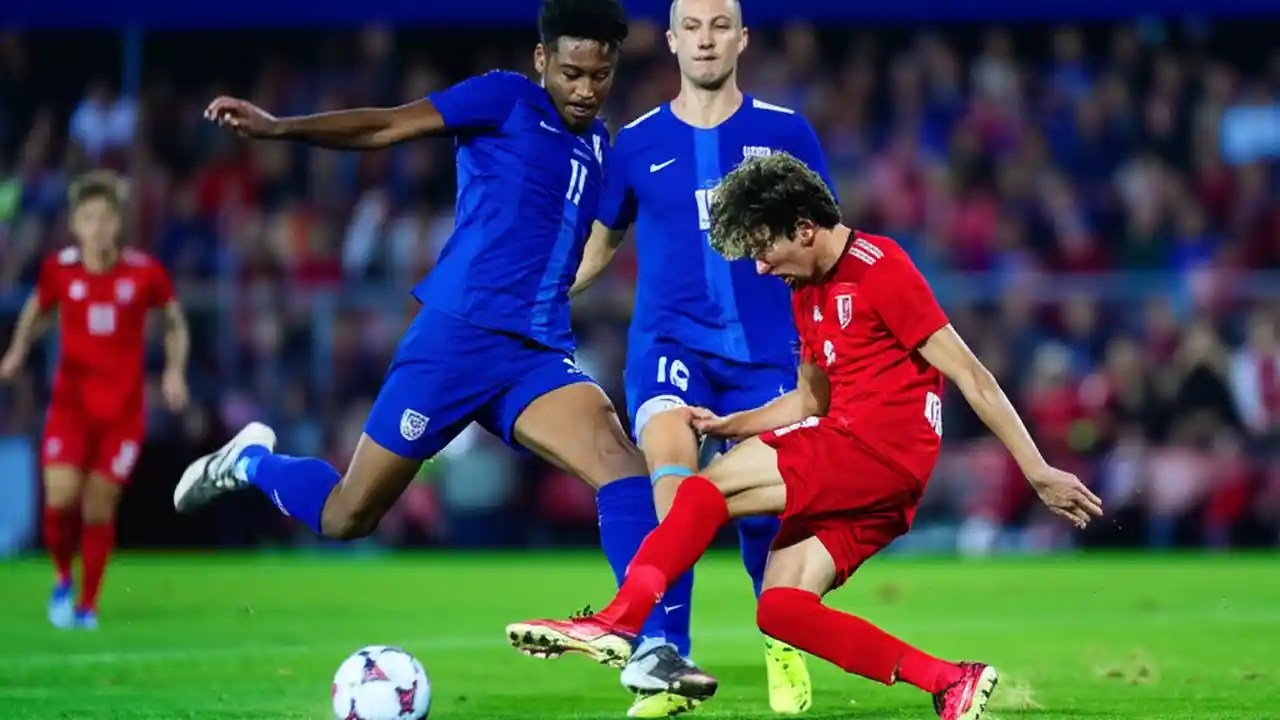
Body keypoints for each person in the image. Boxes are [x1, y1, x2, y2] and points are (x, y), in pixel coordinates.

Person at [505, 153, 1105, 720]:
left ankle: (618, 621)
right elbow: (809, 400)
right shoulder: (805, 291)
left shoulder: (880, 266)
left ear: (805, 228)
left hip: (875, 449)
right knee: (781, 610)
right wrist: (727, 424)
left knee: (707, 490)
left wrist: (1037, 471)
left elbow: (971, 375)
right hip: (877, 478)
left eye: (765, 248)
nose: (761, 266)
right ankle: (951, 681)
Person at [173, 0, 673, 650]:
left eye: (600, 76)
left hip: (535, 354)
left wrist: (566, 285)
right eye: (572, 72)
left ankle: (650, 644)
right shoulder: (505, 100)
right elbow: (387, 126)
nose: (584, 89)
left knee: (622, 467)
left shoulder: (601, 148)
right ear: (542, 59)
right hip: (456, 340)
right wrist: (279, 129)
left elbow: (600, 243)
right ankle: (251, 463)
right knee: (348, 514)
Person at [573, 0, 829, 714]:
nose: (707, 39)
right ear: (673, 40)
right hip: (669, 345)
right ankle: (669, 659)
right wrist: (542, 298)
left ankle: (781, 636)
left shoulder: (786, 132)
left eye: (721, 26)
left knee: (762, 515)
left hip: (767, 355)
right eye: (694, 26)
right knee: (675, 481)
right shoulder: (637, 141)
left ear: (742, 39)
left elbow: (824, 245)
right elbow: (601, 242)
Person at [0, 169, 190, 629]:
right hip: (70, 408)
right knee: (60, 500)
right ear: (76, 223)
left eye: (107, 217)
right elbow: (36, 311)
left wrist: (173, 372)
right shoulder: (59, 270)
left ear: (118, 222)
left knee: (99, 505)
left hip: (122, 413)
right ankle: (63, 575)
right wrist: (17, 351)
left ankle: (87, 606)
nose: (99, 227)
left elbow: (175, 323)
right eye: (89, 218)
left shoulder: (144, 273)